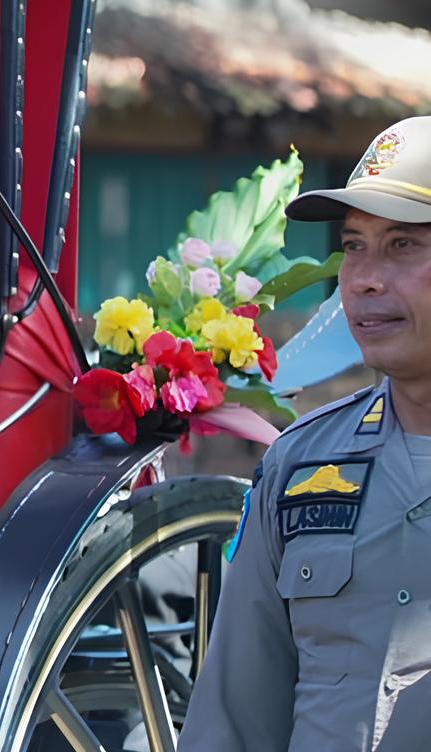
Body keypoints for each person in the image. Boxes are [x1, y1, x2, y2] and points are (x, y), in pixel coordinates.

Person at [181, 117, 431, 751]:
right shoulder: (299, 466)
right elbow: (234, 722)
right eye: (353, 246)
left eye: (402, 245)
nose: (363, 278)